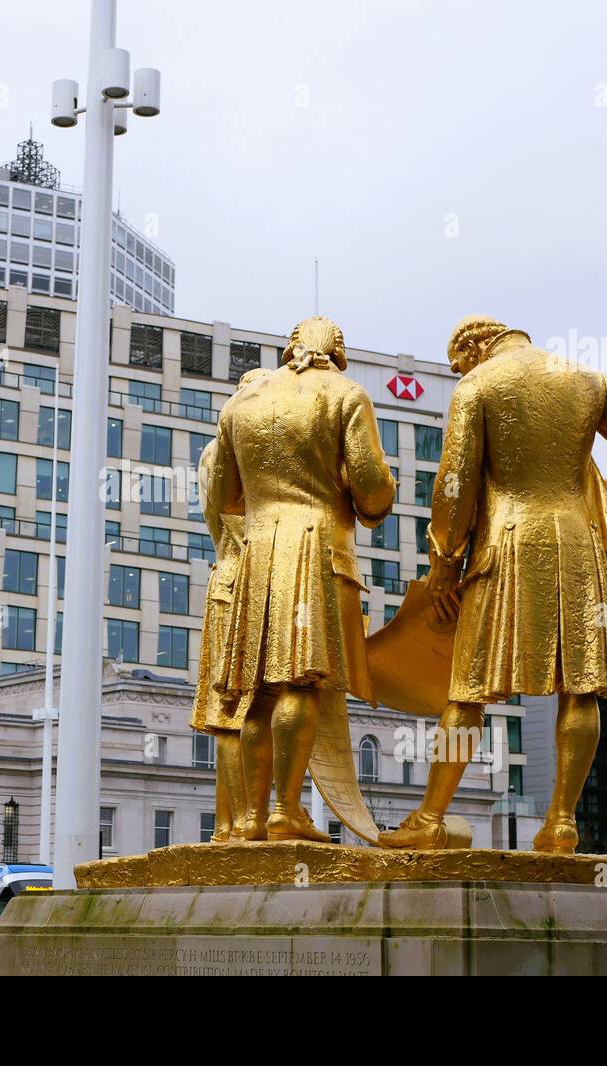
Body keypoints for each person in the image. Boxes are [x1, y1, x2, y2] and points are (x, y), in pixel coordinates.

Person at [378, 316, 607, 853]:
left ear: (474, 345)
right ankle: (561, 822)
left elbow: (457, 482)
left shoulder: (480, 385)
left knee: (467, 690)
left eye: (460, 362)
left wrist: (444, 564)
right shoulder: (588, 379)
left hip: (504, 546)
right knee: (580, 688)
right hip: (582, 546)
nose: (462, 370)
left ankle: (430, 818)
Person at [205, 316, 395, 841]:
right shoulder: (345, 394)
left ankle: (249, 820)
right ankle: (287, 810)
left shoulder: (241, 403)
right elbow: (373, 491)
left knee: (257, 694)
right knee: (300, 681)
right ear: (337, 351)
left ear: (291, 348)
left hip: (257, 553)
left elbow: (224, 497)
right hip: (316, 550)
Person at [189, 369, 269, 841]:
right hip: (248, 585)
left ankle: (231, 824)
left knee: (230, 717)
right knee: (242, 713)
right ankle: (241, 823)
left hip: (227, 582)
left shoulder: (218, 452)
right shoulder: (236, 451)